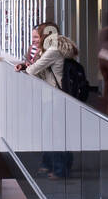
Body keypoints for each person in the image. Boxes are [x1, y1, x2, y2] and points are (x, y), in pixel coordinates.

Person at [26, 26, 76, 177]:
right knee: (52, 132)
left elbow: (32, 70)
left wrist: (30, 64)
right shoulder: (49, 50)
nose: (33, 41)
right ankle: (51, 163)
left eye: (36, 37)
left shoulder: (52, 51)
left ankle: (60, 169)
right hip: (51, 97)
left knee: (54, 134)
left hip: (54, 98)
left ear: (44, 37)